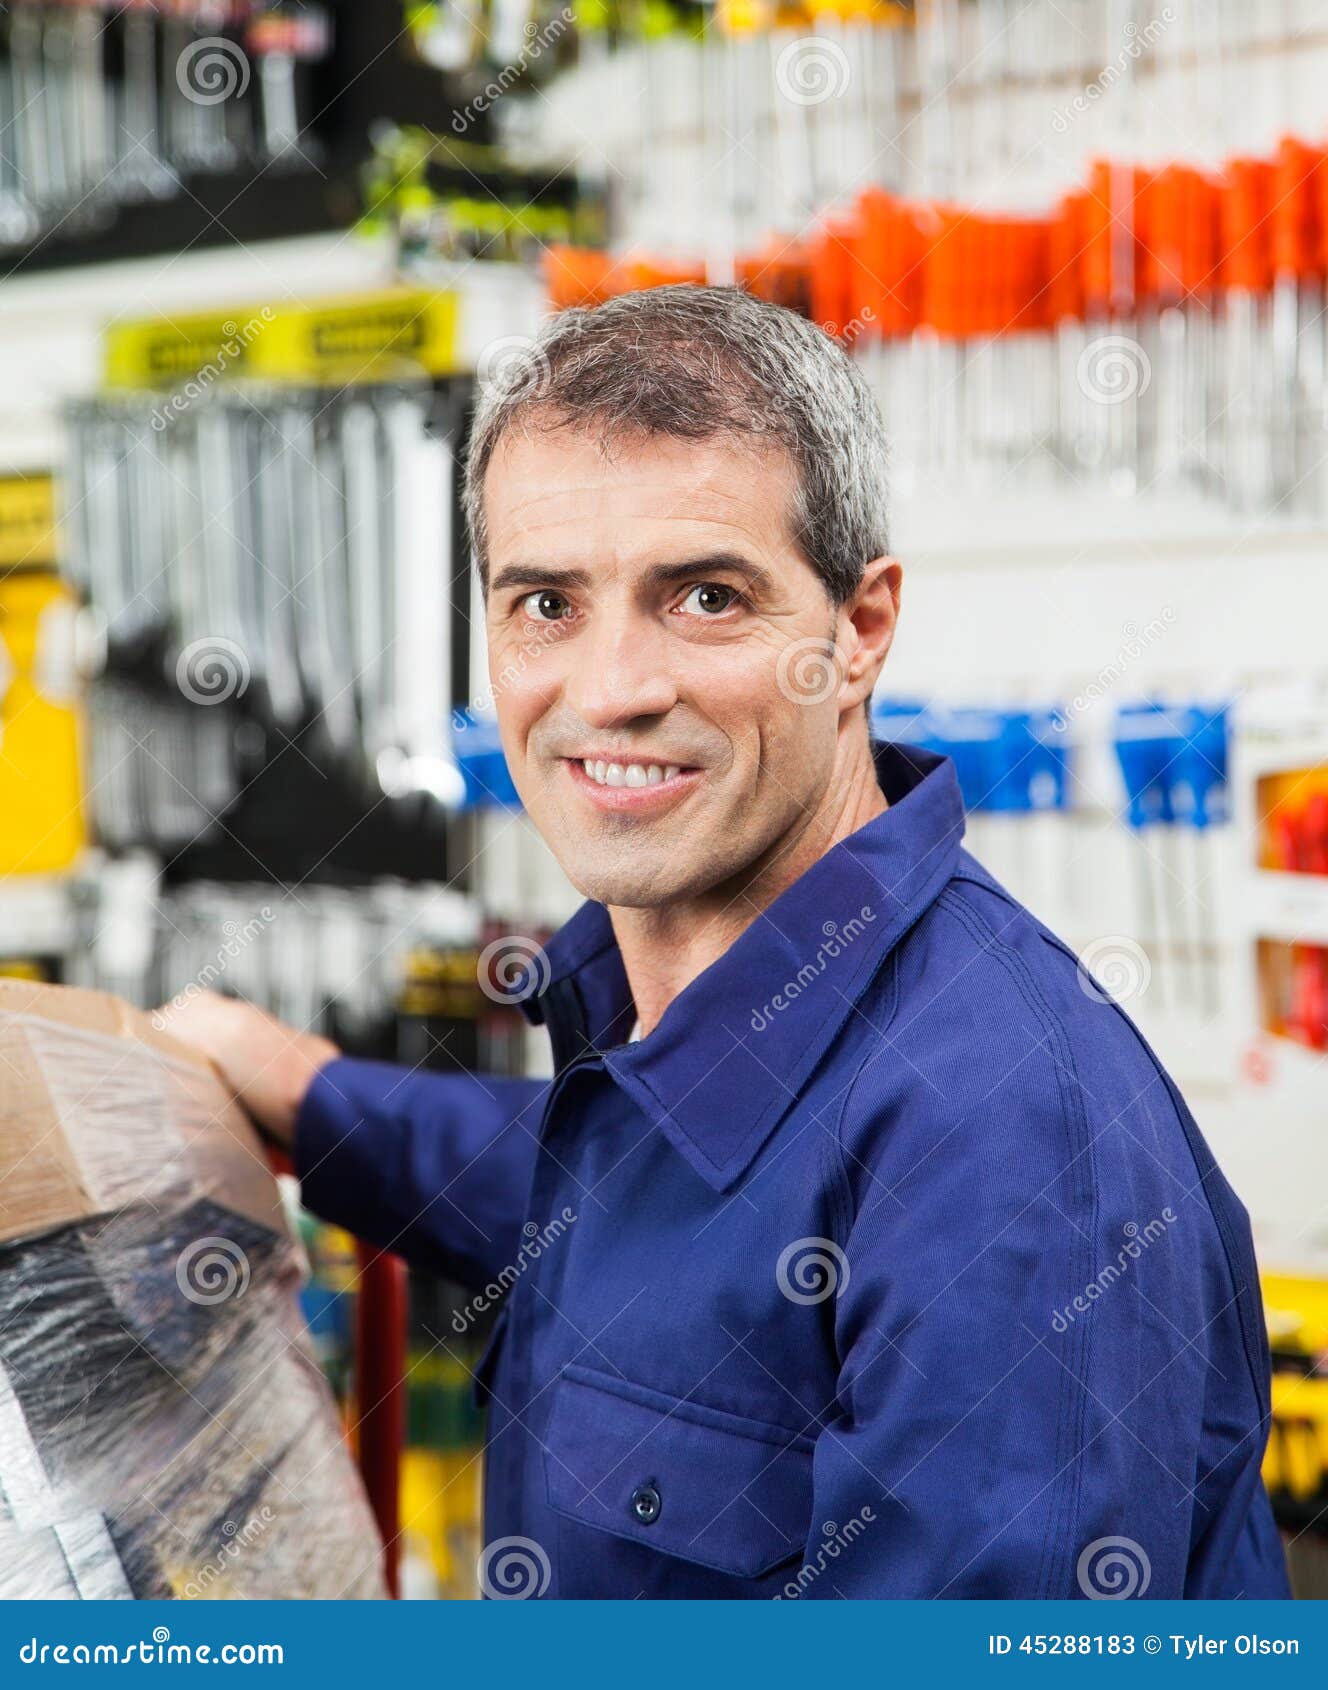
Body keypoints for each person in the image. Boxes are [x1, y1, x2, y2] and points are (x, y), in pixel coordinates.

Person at [159, 285, 1291, 1601]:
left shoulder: (1003, 1139)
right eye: (545, 603)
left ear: (858, 630)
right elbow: (614, 1204)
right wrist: (292, 1079)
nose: (612, 688)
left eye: (703, 596)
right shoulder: (690, 1025)